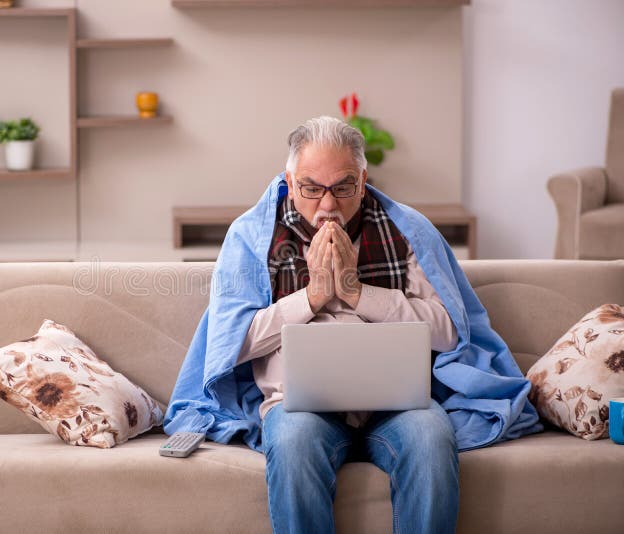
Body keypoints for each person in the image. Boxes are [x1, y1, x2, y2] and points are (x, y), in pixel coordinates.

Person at [165, 116, 542, 534]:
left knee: (432, 439)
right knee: (293, 443)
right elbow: (232, 343)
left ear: (362, 181)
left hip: (397, 406)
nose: (328, 205)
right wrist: (312, 297)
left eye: (343, 188)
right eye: (311, 188)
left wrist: (356, 292)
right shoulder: (251, 238)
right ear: (290, 182)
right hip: (299, 407)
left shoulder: (406, 231)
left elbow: (449, 330)